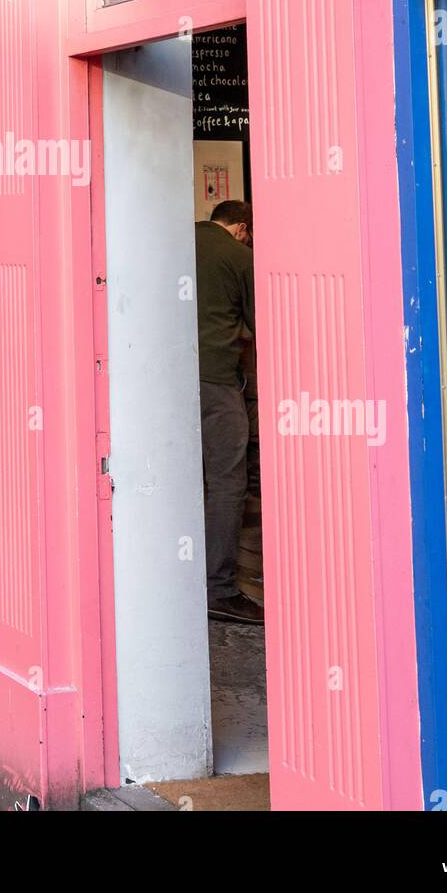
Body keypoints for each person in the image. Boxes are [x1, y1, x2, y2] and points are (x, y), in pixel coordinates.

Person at [194, 199, 263, 625]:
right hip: (215, 379)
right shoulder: (239, 256)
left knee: (179, 481)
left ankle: (172, 576)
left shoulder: (169, 244)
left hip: (156, 383)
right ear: (241, 228)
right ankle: (218, 590)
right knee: (227, 481)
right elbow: (263, 323)